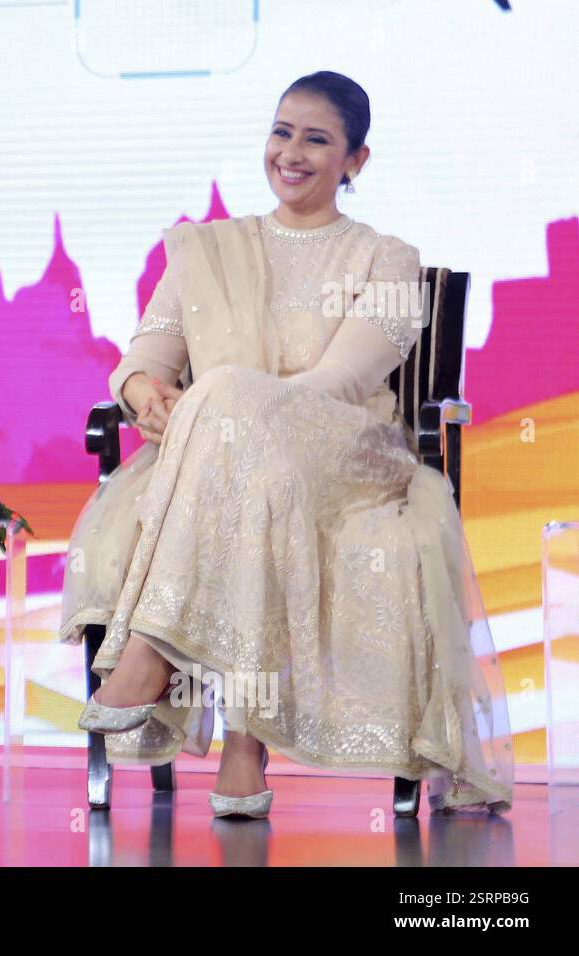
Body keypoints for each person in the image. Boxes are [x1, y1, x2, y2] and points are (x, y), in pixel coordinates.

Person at [59, 71, 513, 818]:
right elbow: (145, 361)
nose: (291, 152)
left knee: (234, 406)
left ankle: (150, 651)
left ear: (355, 161)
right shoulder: (208, 251)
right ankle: (243, 741)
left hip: (348, 457)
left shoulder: (388, 258)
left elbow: (338, 382)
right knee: (246, 465)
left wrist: (218, 404)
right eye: (281, 131)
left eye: (316, 139)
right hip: (219, 457)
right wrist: (152, 399)